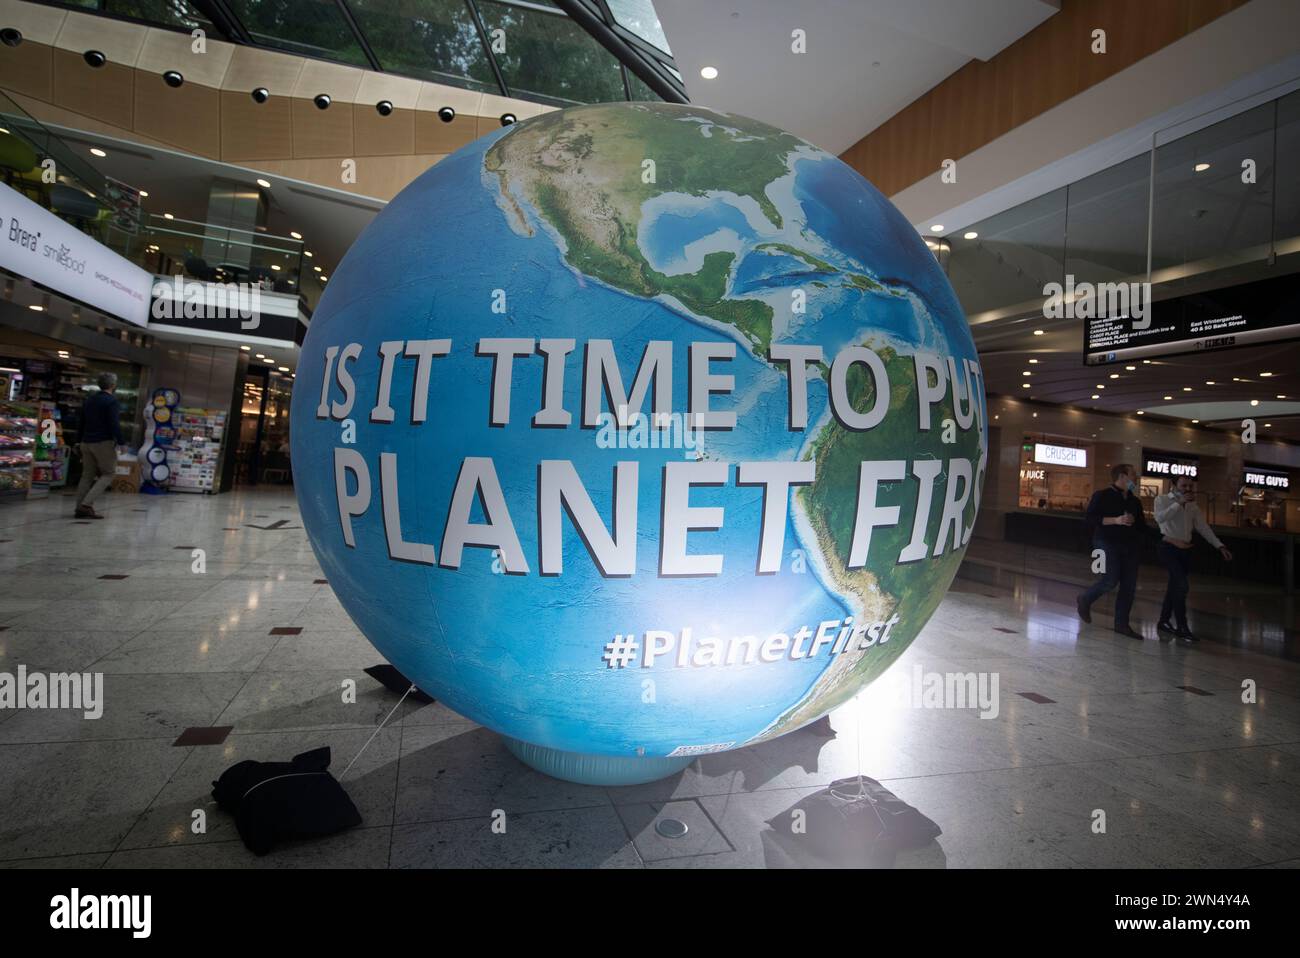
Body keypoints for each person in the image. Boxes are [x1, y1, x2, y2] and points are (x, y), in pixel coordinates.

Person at [1153, 475, 1232, 642]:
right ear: (1174, 485)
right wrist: (1179, 503)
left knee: (1175, 586)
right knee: (1181, 586)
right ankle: (1182, 626)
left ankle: (1164, 621)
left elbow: (1202, 527)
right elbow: (1160, 518)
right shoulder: (1162, 500)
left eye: (1190, 486)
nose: (1188, 489)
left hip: (1185, 550)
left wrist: (1219, 545)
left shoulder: (1193, 505)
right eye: (1184, 485)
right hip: (1168, 548)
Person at [1077, 463, 1147, 640]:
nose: (1136, 479)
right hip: (1106, 542)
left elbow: (1142, 526)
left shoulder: (1134, 501)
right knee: (1109, 580)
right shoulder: (1102, 496)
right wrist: (1116, 520)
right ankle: (1085, 598)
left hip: (1130, 546)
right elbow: (1091, 519)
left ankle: (1121, 624)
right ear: (1122, 476)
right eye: (1133, 475)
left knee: (1129, 586)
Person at [74, 372, 124, 519]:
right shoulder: (111, 401)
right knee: (109, 473)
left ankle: (79, 507)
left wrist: (78, 441)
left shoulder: (89, 400)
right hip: (102, 442)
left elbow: (81, 422)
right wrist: (121, 442)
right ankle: (86, 505)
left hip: (86, 442)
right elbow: (114, 424)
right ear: (113, 385)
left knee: (87, 476)